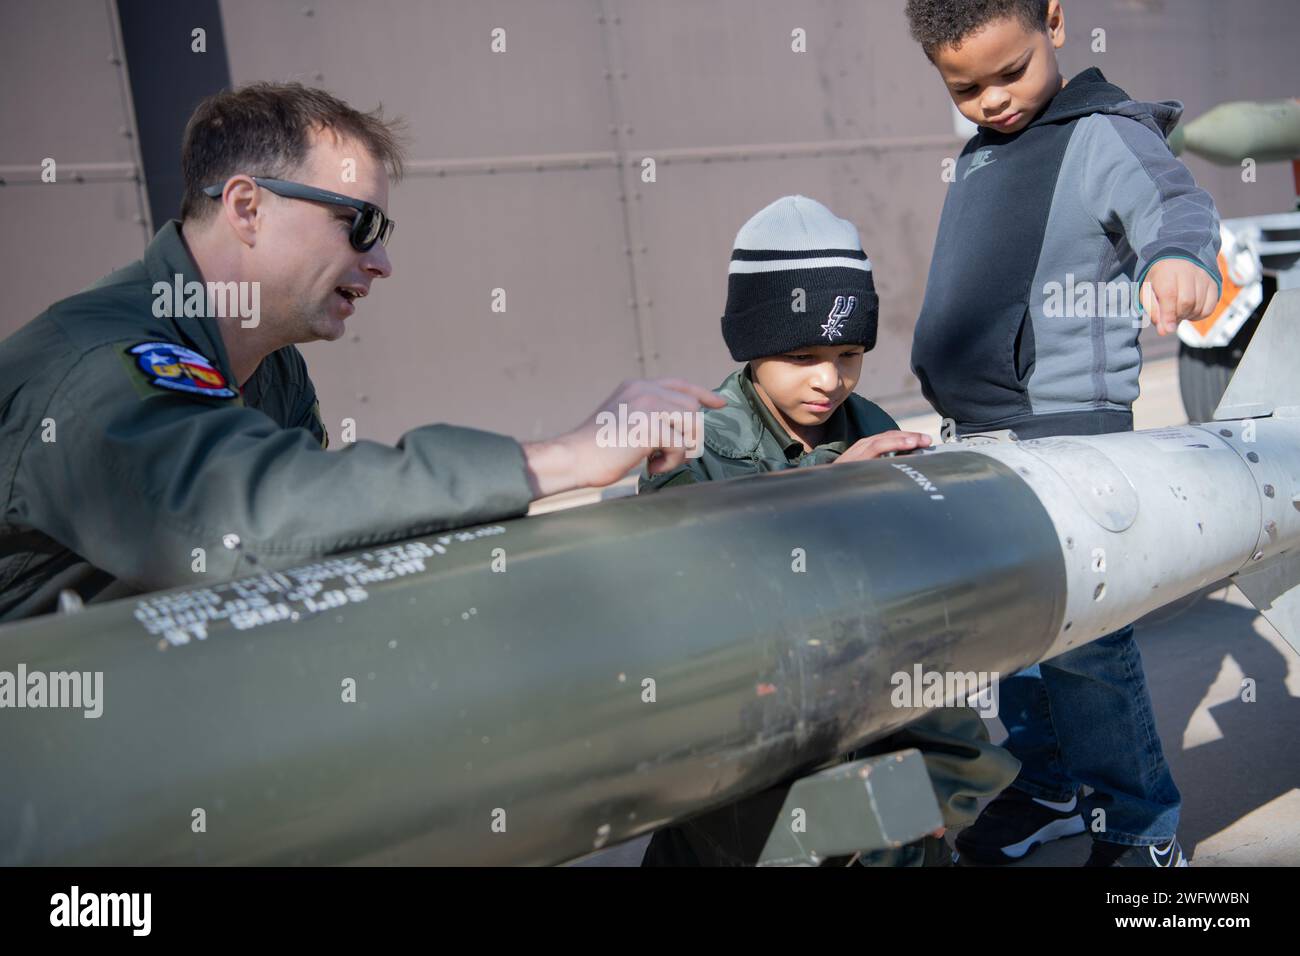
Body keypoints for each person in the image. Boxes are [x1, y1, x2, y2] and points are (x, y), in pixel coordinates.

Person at [0, 82, 723, 623]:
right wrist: (560, 458)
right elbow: (242, 522)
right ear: (247, 208)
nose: (380, 263)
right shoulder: (93, 365)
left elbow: (317, 544)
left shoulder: (271, 367)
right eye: (357, 224)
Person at [904, 0, 1222, 866]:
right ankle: (1043, 784)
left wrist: (1177, 261)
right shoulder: (983, 154)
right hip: (986, 433)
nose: (993, 99)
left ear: (1052, 17)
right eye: (965, 87)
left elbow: (1177, 207)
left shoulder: (1103, 134)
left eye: (1010, 72)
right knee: (1022, 631)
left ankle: (1138, 826)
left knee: (1089, 647)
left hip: (1067, 433)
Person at [639, 195, 1021, 866]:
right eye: (803, 354)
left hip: (877, 733)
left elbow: (925, 626)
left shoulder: (875, 428)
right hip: (746, 761)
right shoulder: (692, 444)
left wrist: (946, 782)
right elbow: (692, 599)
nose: (829, 379)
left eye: (849, 353)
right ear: (753, 347)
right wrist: (831, 482)